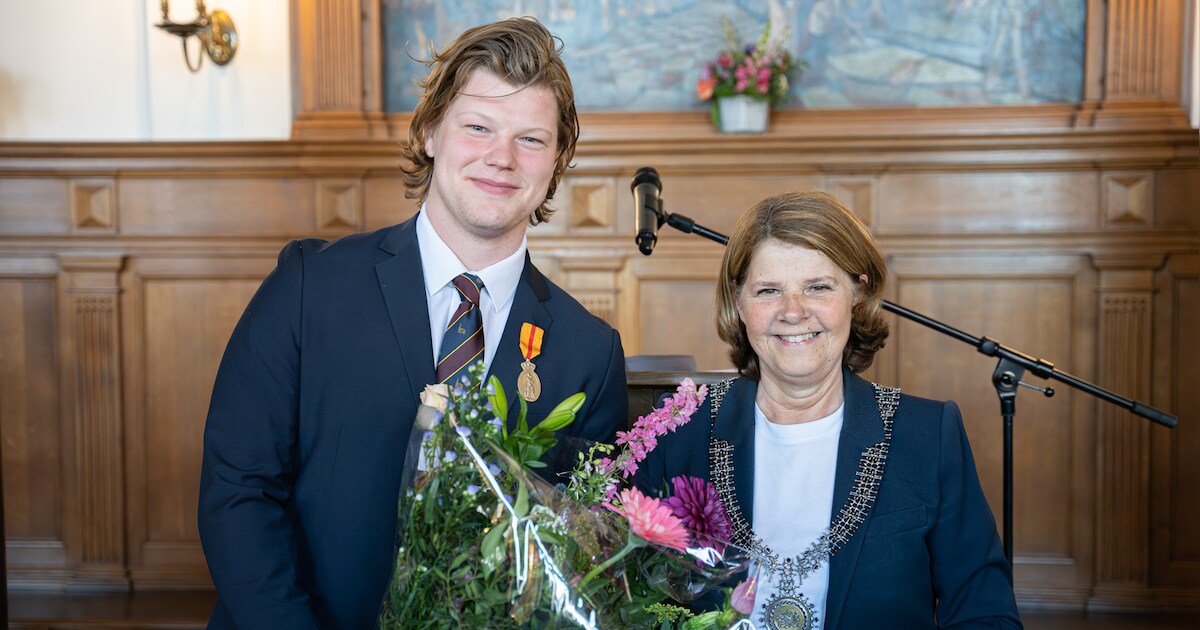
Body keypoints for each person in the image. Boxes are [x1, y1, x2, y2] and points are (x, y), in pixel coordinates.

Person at [197, 18, 628, 630]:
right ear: (430, 132)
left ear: (557, 160)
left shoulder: (590, 352)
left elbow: (581, 560)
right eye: (477, 127)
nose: (500, 158)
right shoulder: (307, 287)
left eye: (531, 139)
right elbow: (238, 491)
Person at [636, 191, 1021, 629]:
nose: (793, 312)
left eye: (818, 287)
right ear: (739, 304)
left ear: (857, 293)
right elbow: (630, 604)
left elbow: (985, 613)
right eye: (768, 291)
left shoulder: (928, 435)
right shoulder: (678, 432)